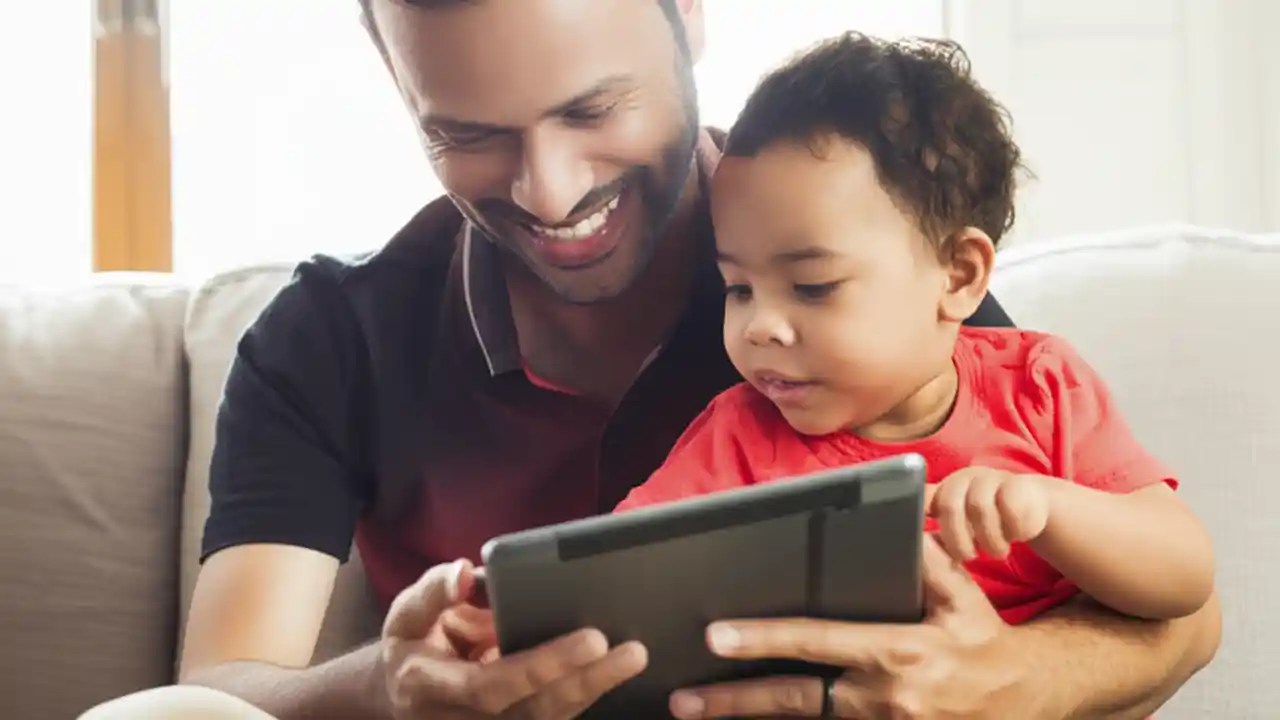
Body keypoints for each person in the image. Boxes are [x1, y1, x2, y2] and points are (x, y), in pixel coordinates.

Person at [155, 1, 1219, 719]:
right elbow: (214, 698)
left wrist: (1015, 679)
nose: (547, 191)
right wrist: (391, 684)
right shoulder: (328, 336)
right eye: (468, 134)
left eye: (592, 108)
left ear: (690, 16)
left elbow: (1180, 609)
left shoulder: (855, 247)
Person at [608, 35, 1214, 717]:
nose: (759, 326)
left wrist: (1048, 510)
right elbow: (615, 582)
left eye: (812, 286)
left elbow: (1185, 578)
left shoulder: (1040, 386)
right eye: (738, 288)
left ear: (958, 276)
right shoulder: (738, 437)